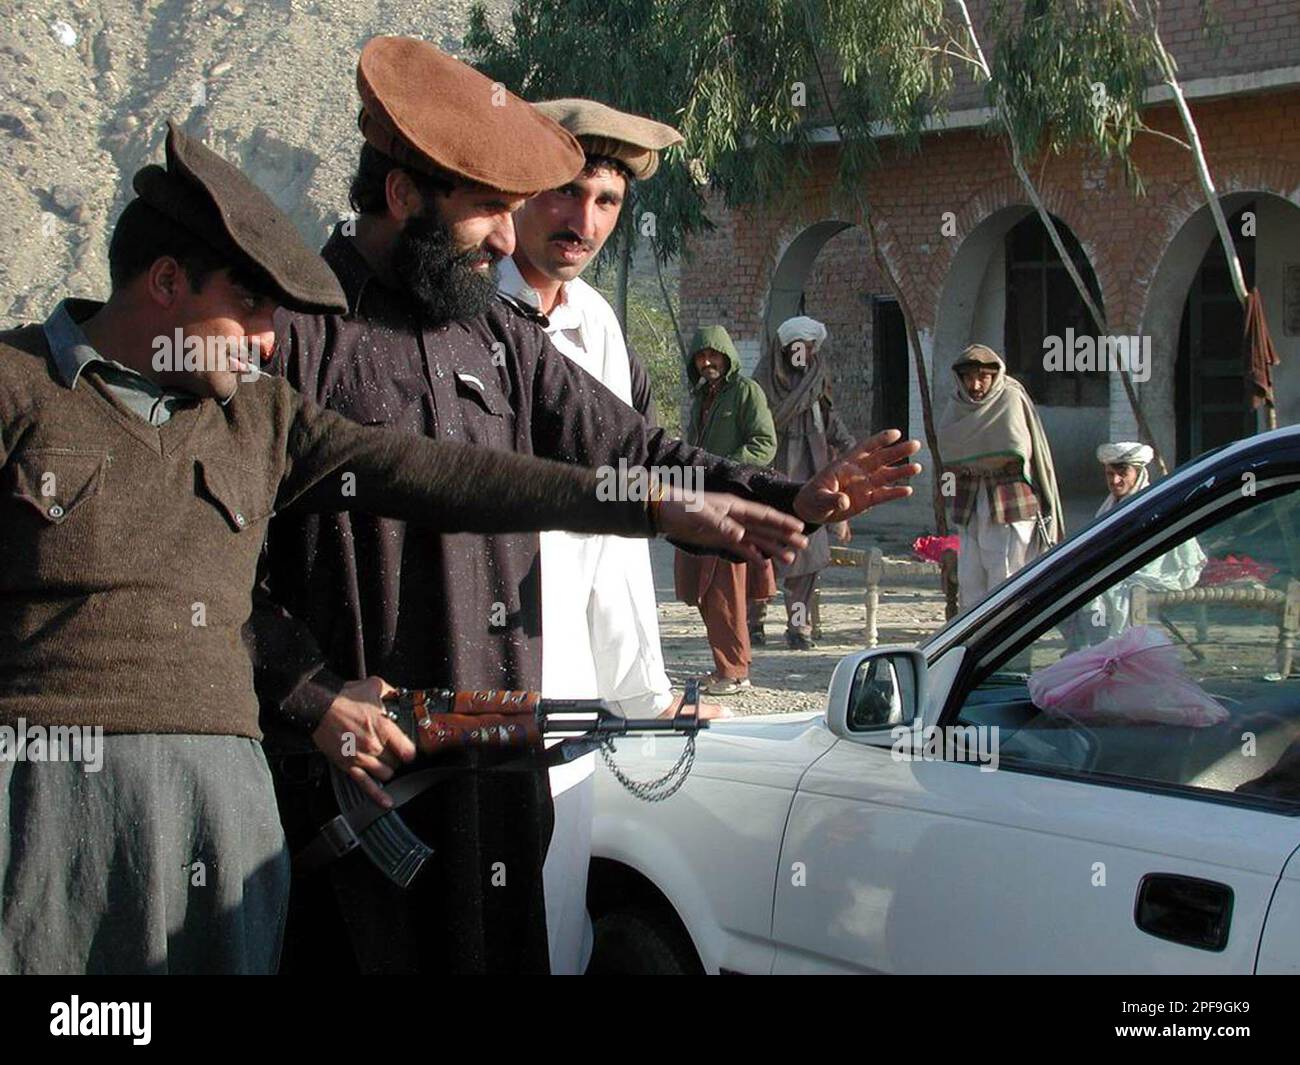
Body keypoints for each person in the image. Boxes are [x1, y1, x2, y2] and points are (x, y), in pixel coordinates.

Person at [0, 123, 785, 974]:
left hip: (228, 809)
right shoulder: (25, 389)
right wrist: (312, 694)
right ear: (164, 283)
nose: (268, 339)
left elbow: (454, 477)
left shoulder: (268, 412)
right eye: (251, 307)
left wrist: (658, 506)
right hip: (51, 800)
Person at [253, 36, 924, 974]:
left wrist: (791, 496)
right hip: (360, 780)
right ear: (403, 195)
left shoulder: (494, 333)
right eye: (487, 208)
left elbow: (636, 449)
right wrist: (314, 696)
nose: (502, 237)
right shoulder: (294, 333)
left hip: (495, 760)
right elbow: (212, 565)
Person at [498, 97, 718, 973]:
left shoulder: (598, 326)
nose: (580, 221)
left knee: (554, 910)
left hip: (569, 688)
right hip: (471, 669)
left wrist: (640, 690)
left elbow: (621, 533)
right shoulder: (464, 315)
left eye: (606, 202)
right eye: (562, 191)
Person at [674, 326, 780, 694]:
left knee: (725, 589)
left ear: (726, 356)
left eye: (713, 355)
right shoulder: (703, 398)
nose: (707, 362)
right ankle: (724, 667)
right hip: (704, 503)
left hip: (733, 504)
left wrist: (726, 469)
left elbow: (764, 443)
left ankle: (734, 672)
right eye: (701, 357)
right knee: (705, 588)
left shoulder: (746, 391)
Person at [750, 316, 856, 649]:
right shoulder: (760, 385)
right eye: (798, 348)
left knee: (806, 563)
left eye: (809, 348)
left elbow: (832, 423)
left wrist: (855, 455)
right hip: (770, 479)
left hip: (812, 479)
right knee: (761, 556)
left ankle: (798, 628)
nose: (804, 354)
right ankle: (755, 624)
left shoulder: (817, 382)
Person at [937, 344, 1063, 609]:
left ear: (994, 376)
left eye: (983, 377)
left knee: (1005, 575)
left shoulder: (1010, 398)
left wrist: (981, 459)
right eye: (969, 377)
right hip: (970, 500)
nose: (975, 384)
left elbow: (1014, 449)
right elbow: (949, 452)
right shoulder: (957, 404)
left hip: (1009, 501)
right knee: (970, 577)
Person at [1083, 441, 1206, 639]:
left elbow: (1153, 557)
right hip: (1120, 569)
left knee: (1110, 587)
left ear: (1138, 473)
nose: (1115, 481)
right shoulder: (1110, 506)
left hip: (1161, 571)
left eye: (1122, 473)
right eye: (1109, 474)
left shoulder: (1151, 505)